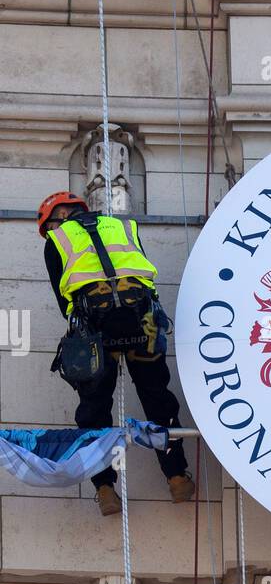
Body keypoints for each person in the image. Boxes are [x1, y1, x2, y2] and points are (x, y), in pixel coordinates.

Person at [38, 190, 194, 516]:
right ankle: (177, 477)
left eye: (49, 225)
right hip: (142, 320)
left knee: (94, 409)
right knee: (157, 398)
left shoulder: (57, 239)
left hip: (95, 327)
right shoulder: (123, 226)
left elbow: (62, 299)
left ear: (57, 217)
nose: (50, 231)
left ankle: (105, 488)